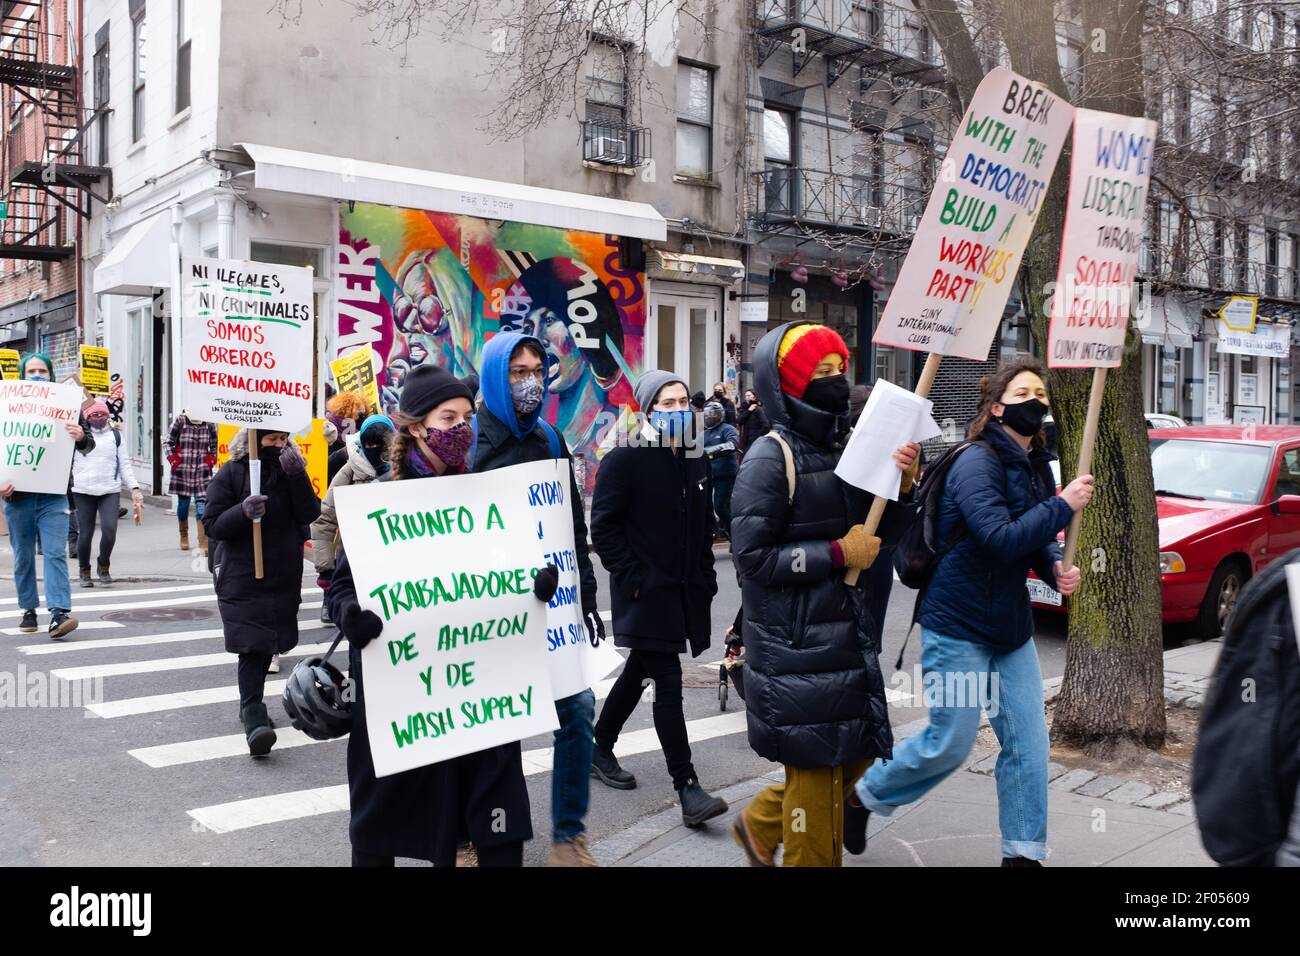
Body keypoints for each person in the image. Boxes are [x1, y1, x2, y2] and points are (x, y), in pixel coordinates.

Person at [852, 359, 1093, 866]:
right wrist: (1064, 505)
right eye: (1024, 391)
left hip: (1010, 631)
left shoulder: (1035, 467)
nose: (1037, 401)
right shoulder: (975, 462)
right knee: (951, 741)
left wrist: (1055, 570)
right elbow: (1000, 538)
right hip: (957, 626)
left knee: (1028, 746)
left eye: (1041, 393)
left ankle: (1023, 854)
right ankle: (865, 797)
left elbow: (1034, 542)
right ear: (999, 407)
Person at [328, 364, 549, 867]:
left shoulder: (486, 500)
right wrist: (352, 616)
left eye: (467, 417)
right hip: (403, 693)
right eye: (449, 417)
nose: (462, 429)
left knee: (497, 828)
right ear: (416, 427)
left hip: (478, 694)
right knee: (384, 822)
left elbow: (510, 573)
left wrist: (536, 585)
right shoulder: (378, 502)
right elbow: (342, 589)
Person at [728, 322, 919, 867]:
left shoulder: (841, 449)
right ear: (788, 384)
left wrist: (901, 487)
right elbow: (753, 559)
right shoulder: (769, 457)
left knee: (854, 763)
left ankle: (761, 823)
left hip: (844, 646)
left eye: (840, 370)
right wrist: (837, 554)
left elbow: (879, 535)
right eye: (821, 373)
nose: (836, 383)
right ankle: (770, 829)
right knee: (815, 811)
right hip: (798, 658)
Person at [470, 331, 603, 866]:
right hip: (486, 614)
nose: (528, 382)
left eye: (535, 370)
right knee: (487, 735)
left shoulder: (550, 439)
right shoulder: (470, 443)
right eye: (516, 372)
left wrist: (584, 594)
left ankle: (568, 837)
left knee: (577, 710)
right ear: (495, 377)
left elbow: (570, 523)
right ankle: (473, 837)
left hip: (548, 608)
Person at [590, 369, 729, 828]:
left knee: (639, 670)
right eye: (666, 404)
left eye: (682, 402)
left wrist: (706, 577)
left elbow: (702, 525)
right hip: (643, 593)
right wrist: (632, 578)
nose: (677, 411)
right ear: (647, 410)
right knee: (667, 681)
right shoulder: (625, 459)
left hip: (683, 591)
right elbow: (604, 528)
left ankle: (599, 745)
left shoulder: (694, 457)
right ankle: (687, 786)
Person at [204, 428, 321, 756]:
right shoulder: (232, 472)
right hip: (243, 575)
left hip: (282, 574)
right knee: (253, 646)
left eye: (284, 440)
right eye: (271, 440)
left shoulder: (290, 469)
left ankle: (252, 708)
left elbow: (309, 513)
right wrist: (243, 511)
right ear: (255, 440)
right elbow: (212, 523)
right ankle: (253, 713)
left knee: (271, 641)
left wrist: (297, 475)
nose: (279, 445)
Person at [0, 353, 87, 639]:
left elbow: (89, 445)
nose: (37, 375)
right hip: (18, 498)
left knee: (54, 553)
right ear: (22, 375)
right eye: (31, 371)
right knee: (24, 557)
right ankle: (28, 610)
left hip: (54, 496)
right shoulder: (7, 407)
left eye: (42, 370)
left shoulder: (67, 405)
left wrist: (81, 436)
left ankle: (59, 613)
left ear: (50, 374)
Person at [310, 414, 394, 624]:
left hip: (392, 557)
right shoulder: (348, 472)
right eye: (370, 443)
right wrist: (327, 570)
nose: (376, 448)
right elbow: (324, 521)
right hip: (354, 557)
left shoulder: (404, 468)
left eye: (382, 443)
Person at [70, 399, 143, 587]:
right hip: (83, 490)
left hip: (109, 489)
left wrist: (134, 488)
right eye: (95, 414)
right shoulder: (77, 436)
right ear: (87, 417)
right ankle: (84, 570)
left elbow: (125, 463)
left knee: (110, 530)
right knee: (85, 533)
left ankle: (103, 564)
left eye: (103, 414)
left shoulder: (116, 436)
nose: (99, 418)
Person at [165, 410, 217, 555]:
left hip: (202, 471)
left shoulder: (209, 423)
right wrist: (174, 459)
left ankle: (203, 541)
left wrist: (210, 460)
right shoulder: (180, 421)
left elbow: (214, 444)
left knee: (202, 504)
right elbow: (168, 442)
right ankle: (184, 534)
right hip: (183, 469)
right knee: (183, 504)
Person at [701, 400, 740, 539]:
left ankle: (735, 535)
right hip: (709, 475)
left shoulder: (727, 429)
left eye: (714, 414)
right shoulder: (704, 434)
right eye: (708, 414)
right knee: (705, 507)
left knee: (720, 507)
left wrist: (711, 451)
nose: (710, 417)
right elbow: (693, 450)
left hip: (726, 474)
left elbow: (732, 444)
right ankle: (716, 531)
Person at [326, 390, 370, 485]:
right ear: (348, 413)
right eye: (360, 415)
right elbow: (323, 466)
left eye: (364, 415)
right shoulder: (327, 431)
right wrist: (344, 453)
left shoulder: (360, 436)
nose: (362, 419)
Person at [736, 386, 769, 455]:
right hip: (745, 439)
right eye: (746, 396)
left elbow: (766, 425)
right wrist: (748, 411)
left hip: (755, 439)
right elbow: (739, 421)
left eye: (749, 395)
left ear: (754, 397)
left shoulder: (758, 409)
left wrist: (757, 436)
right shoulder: (744, 408)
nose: (747, 397)